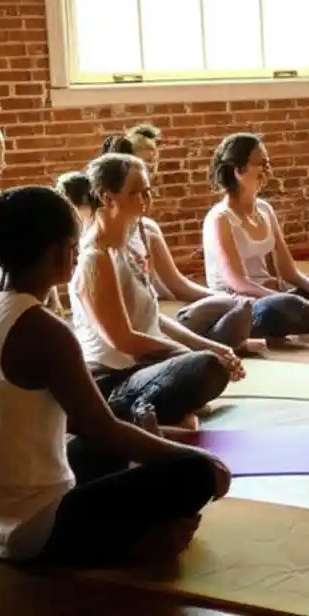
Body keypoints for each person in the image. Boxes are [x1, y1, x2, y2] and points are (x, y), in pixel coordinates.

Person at [0, 185, 230, 568]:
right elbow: (100, 427)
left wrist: (153, 442)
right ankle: (140, 539)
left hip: (1, 522)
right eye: (72, 244)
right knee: (195, 473)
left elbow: (74, 421)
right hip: (39, 531)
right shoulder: (44, 330)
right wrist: (195, 454)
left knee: (112, 445)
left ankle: (145, 531)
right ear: (57, 250)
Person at [69, 154, 243, 428]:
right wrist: (185, 352)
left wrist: (211, 345)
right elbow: (123, 340)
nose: (146, 199)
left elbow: (152, 319)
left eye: (148, 191)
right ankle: (139, 416)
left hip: (142, 368)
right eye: (137, 192)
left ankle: (164, 416)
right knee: (206, 367)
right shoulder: (96, 257)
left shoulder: (126, 246)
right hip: (111, 380)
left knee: (213, 357)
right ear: (107, 198)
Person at [204, 133, 309, 337]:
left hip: (275, 293)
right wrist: (289, 299)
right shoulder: (221, 218)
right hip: (241, 305)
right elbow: (237, 282)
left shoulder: (265, 209)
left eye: (268, 163)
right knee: (290, 306)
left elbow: (289, 272)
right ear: (237, 170)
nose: (267, 170)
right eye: (260, 163)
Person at [95, 129, 254, 352]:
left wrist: (232, 297)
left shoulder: (147, 229)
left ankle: (224, 344)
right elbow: (122, 333)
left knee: (239, 306)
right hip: (145, 330)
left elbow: (177, 284)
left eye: (154, 164)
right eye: (146, 164)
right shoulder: (99, 250)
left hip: (160, 320)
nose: (153, 172)